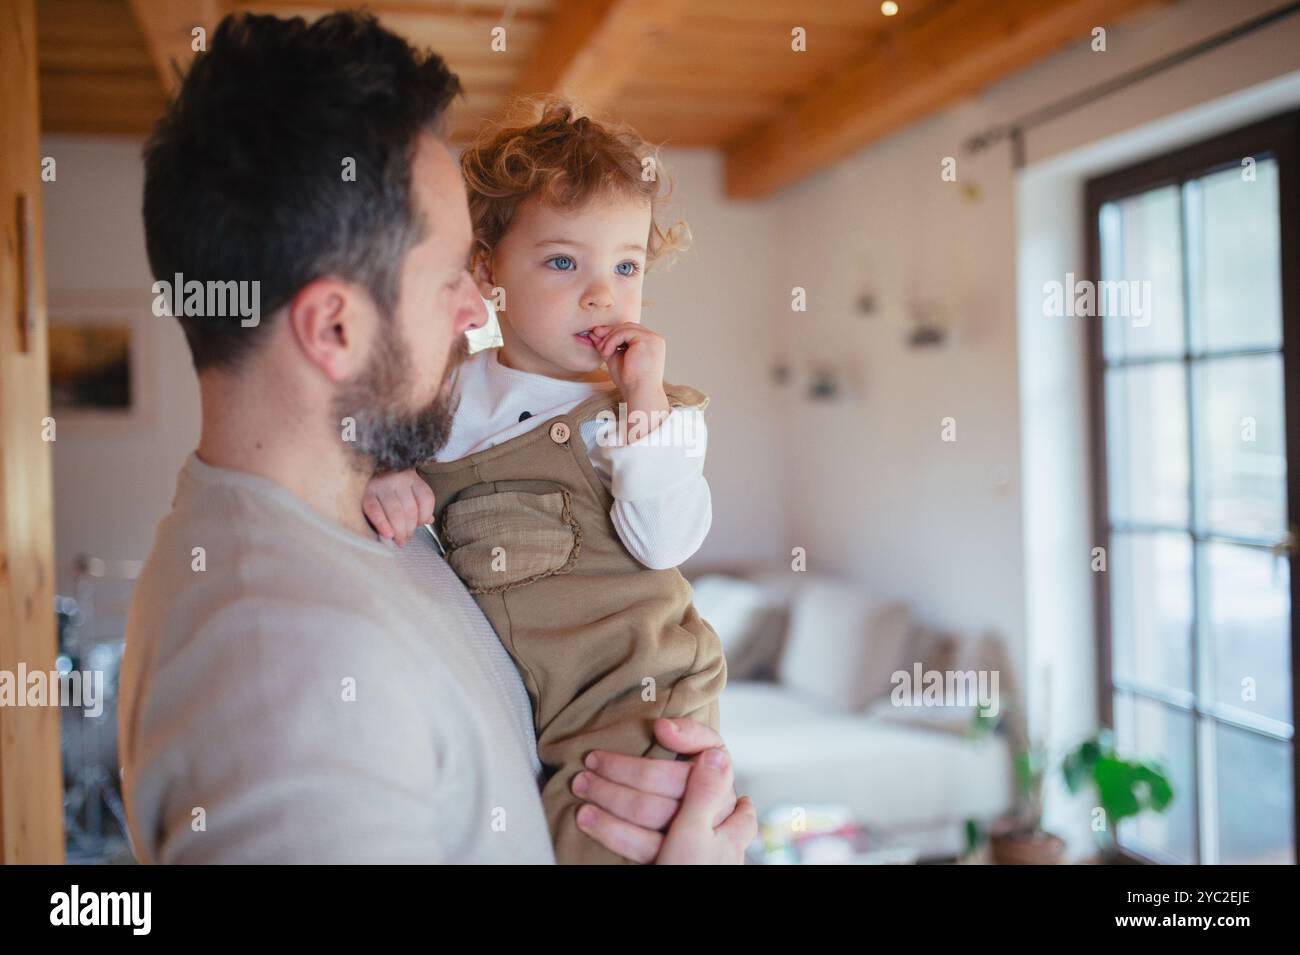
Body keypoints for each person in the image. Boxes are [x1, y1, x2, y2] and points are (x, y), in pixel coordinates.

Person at [119, 10, 754, 864]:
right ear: (335, 327)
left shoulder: (363, 515)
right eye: (449, 275)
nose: (472, 311)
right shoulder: (279, 676)